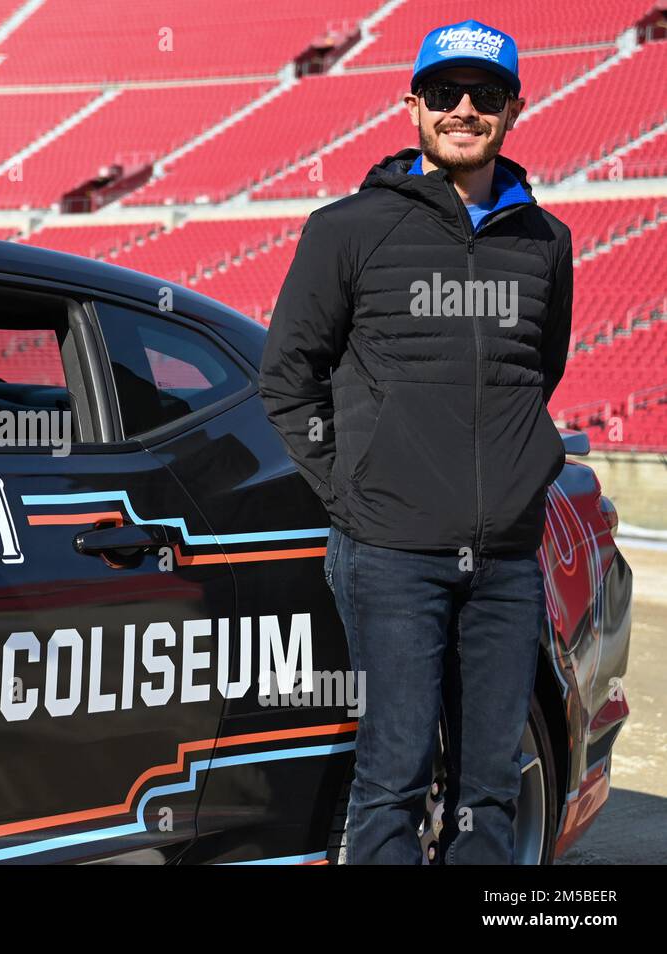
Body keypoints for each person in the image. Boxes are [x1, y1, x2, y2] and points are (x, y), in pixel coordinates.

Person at [257, 19, 573, 864]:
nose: (463, 109)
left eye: (485, 95)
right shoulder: (346, 229)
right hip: (390, 554)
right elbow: (287, 378)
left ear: (512, 109)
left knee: (493, 786)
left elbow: (536, 375)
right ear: (413, 106)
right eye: (444, 93)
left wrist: (507, 484)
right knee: (393, 777)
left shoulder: (548, 244)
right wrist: (353, 491)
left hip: (505, 560)